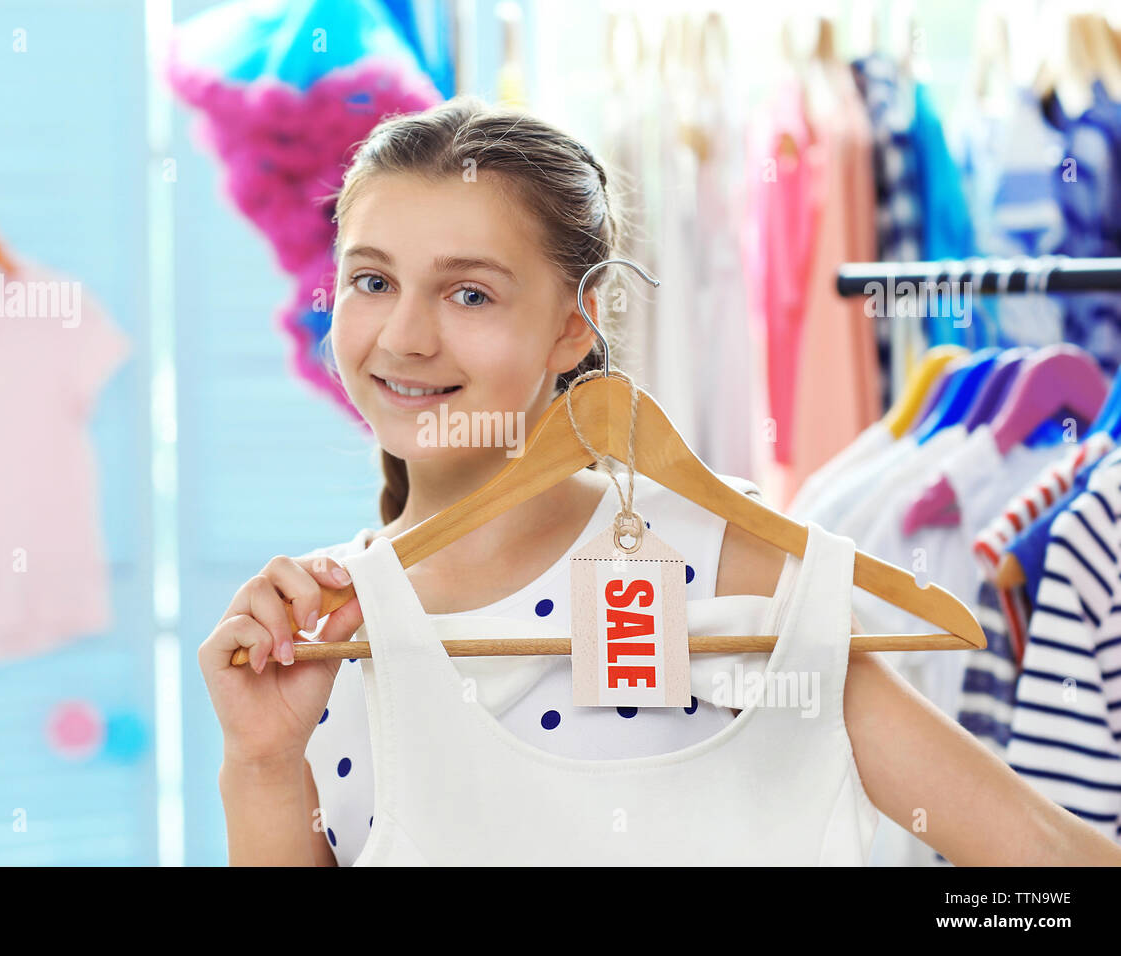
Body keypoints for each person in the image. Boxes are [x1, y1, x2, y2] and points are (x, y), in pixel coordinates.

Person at [197, 95, 1121, 867]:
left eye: (468, 292)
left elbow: (1044, 862)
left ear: (576, 323)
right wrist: (263, 763)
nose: (404, 336)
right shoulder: (318, 633)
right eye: (371, 282)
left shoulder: (729, 570)